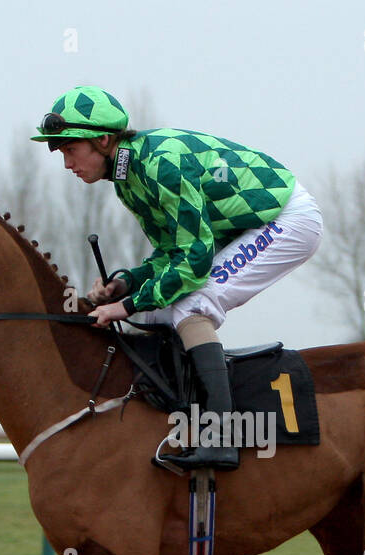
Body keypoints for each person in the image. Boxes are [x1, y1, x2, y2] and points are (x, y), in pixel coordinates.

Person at [31, 86, 322, 471]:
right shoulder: (128, 180)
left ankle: (222, 437)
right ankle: (176, 419)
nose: (67, 164)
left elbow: (196, 260)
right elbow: (173, 253)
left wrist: (126, 305)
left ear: (102, 139)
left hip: (286, 219)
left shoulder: (160, 166)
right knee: (155, 313)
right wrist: (127, 284)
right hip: (240, 228)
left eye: (70, 150)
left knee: (192, 303)